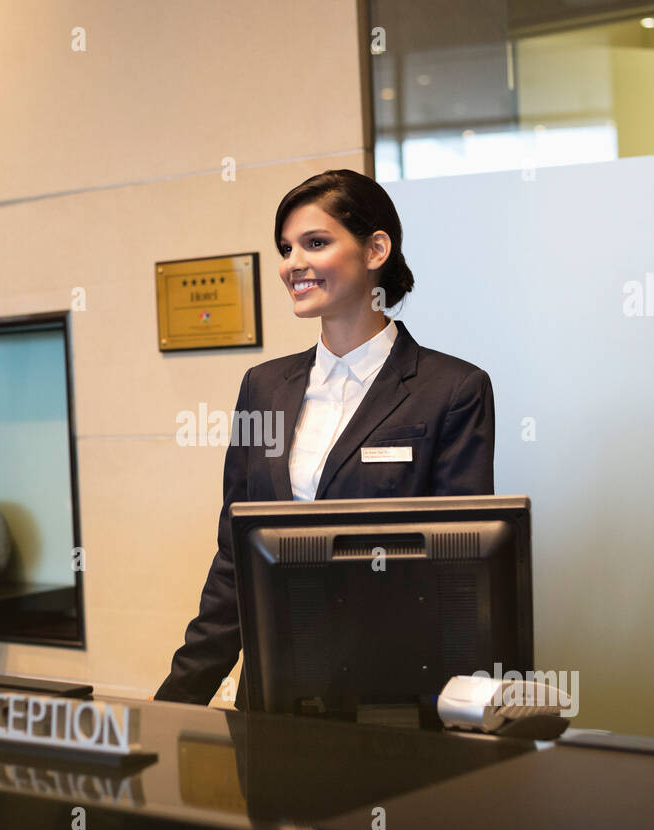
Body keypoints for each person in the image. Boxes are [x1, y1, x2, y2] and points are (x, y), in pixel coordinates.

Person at [153, 168, 495, 709]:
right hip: (274, 694)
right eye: (286, 248)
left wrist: (464, 709)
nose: (292, 265)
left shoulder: (453, 389)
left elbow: (460, 570)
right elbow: (234, 560)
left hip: (393, 700)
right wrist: (177, 700)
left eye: (315, 243)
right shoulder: (263, 387)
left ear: (376, 248)